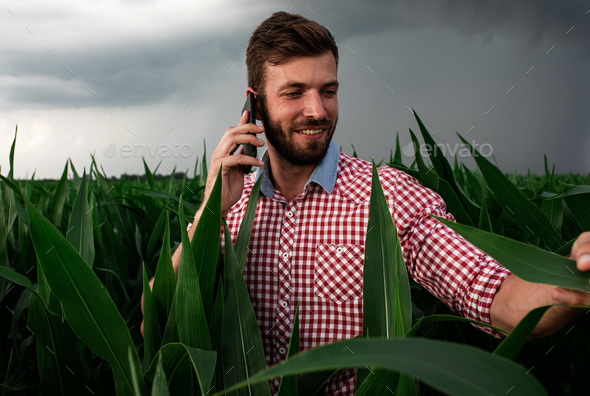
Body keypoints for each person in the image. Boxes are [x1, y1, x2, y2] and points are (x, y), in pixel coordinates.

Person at [144, 11, 590, 395]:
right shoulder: (231, 208)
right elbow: (155, 327)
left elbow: (492, 293)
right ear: (254, 107)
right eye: (294, 92)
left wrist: (569, 284)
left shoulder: (389, 198)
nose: (317, 110)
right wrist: (209, 215)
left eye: (329, 90)